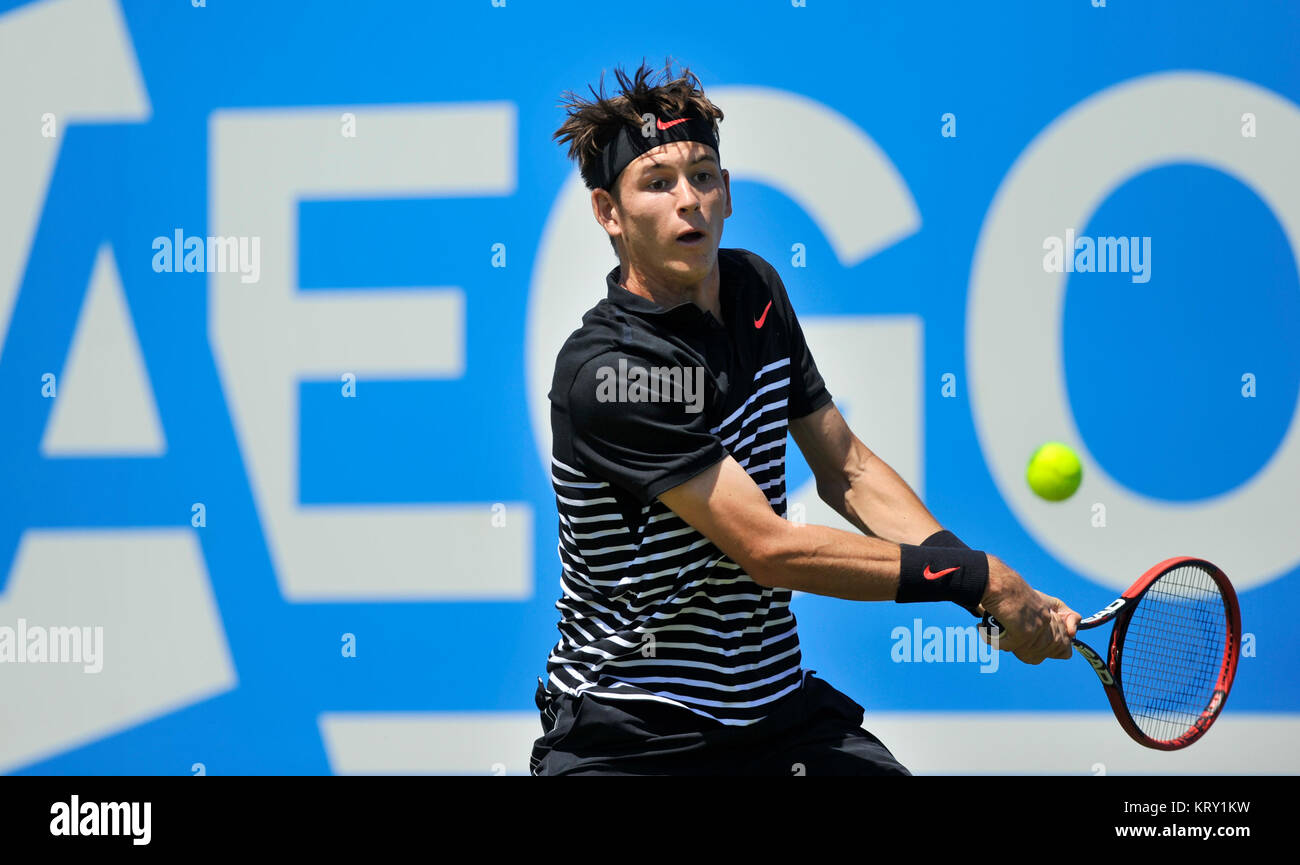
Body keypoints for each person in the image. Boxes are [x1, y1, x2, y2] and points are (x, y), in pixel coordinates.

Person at [531, 59, 1080, 776]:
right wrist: (976, 579)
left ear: (727, 193)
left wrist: (976, 586)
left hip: (774, 713)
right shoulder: (609, 372)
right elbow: (767, 547)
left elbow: (845, 468)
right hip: (634, 728)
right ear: (609, 212)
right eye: (658, 184)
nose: (688, 200)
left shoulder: (757, 288)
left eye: (702, 176)